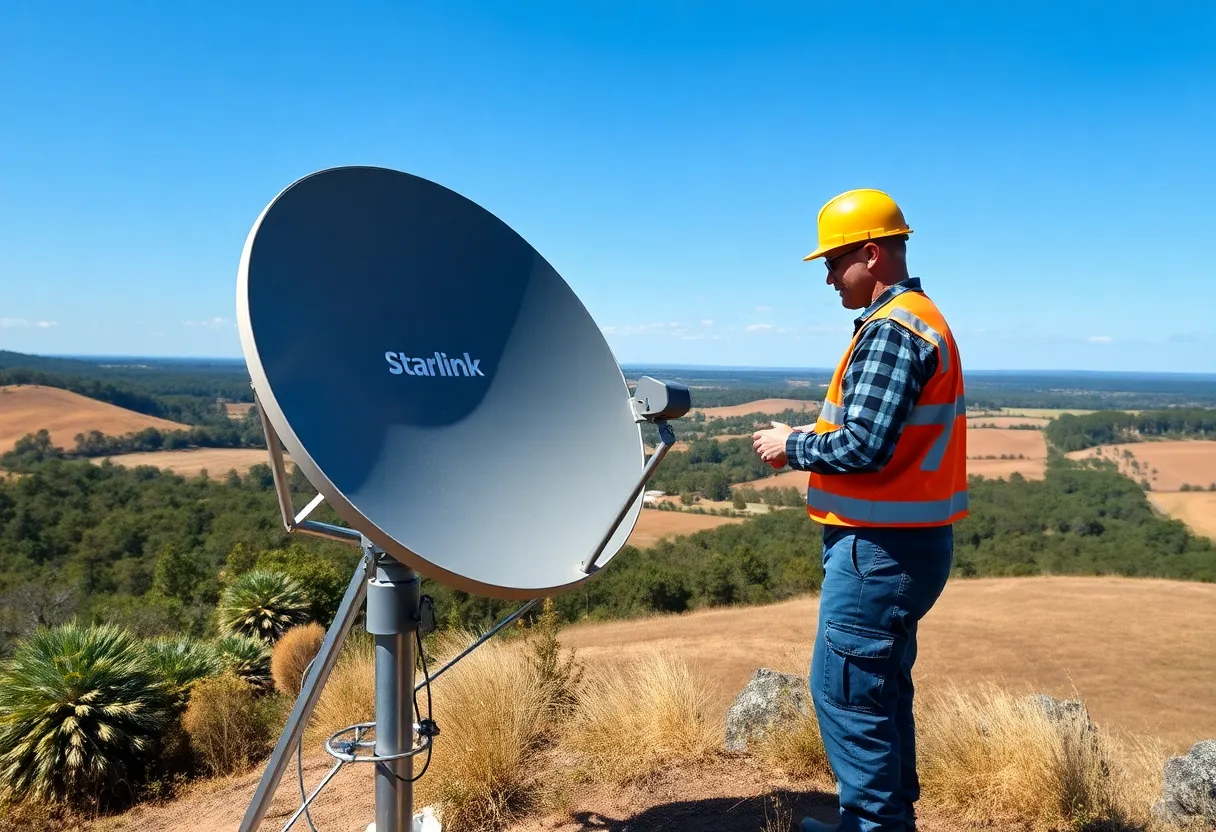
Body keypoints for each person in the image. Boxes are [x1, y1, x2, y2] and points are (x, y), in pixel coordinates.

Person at [751, 189, 968, 832]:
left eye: (834, 259)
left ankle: (874, 825)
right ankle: (881, 819)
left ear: (872, 255)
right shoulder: (919, 319)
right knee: (878, 688)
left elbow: (864, 446)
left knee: (846, 692)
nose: (826, 274)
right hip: (906, 543)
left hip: (880, 549)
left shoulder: (892, 332)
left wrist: (790, 446)